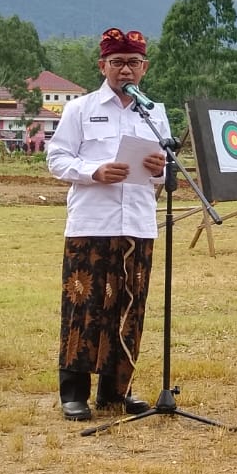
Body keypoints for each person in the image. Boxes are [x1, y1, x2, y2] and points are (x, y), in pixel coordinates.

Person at [45, 27, 169, 421]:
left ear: (144, 68)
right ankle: (74, 392)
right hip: (90, 223)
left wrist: (160, 170)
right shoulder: (80, 109)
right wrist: (94, 171)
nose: (126, 70)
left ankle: (118, 391)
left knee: (128, 307)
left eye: (133, 63)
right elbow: (57, 158)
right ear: (103, 66)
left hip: (137, 224)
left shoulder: (155, 113)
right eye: (118, 63)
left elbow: (164, 174)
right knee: (85, 307)